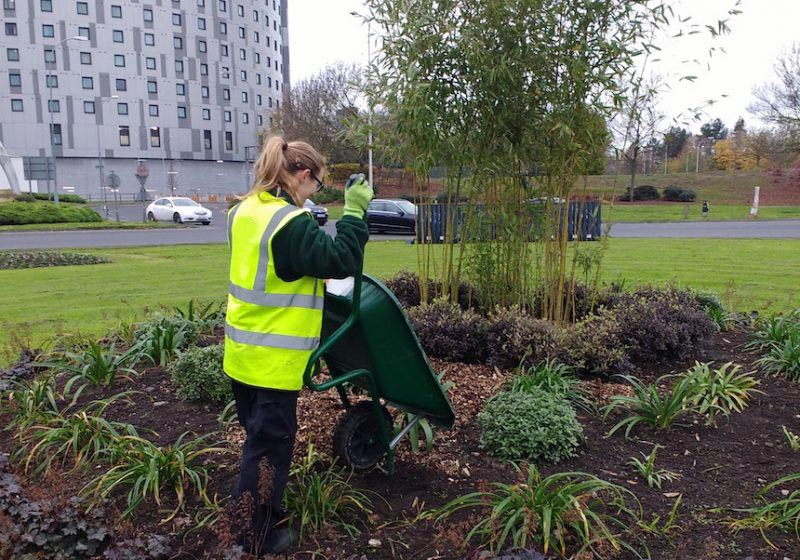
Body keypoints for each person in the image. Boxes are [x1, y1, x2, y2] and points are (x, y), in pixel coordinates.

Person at [223, 136, 372, 554]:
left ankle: (255, 515)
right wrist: (356, 210)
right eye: (317, 185)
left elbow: (274, 268)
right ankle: (252, 536)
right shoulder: (289, 224)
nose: (315, 194)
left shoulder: (244, 211)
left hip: (241, 353)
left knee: (258, 441)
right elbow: (341, 259)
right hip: (272, 360)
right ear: (303, 176)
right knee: (269, 450)